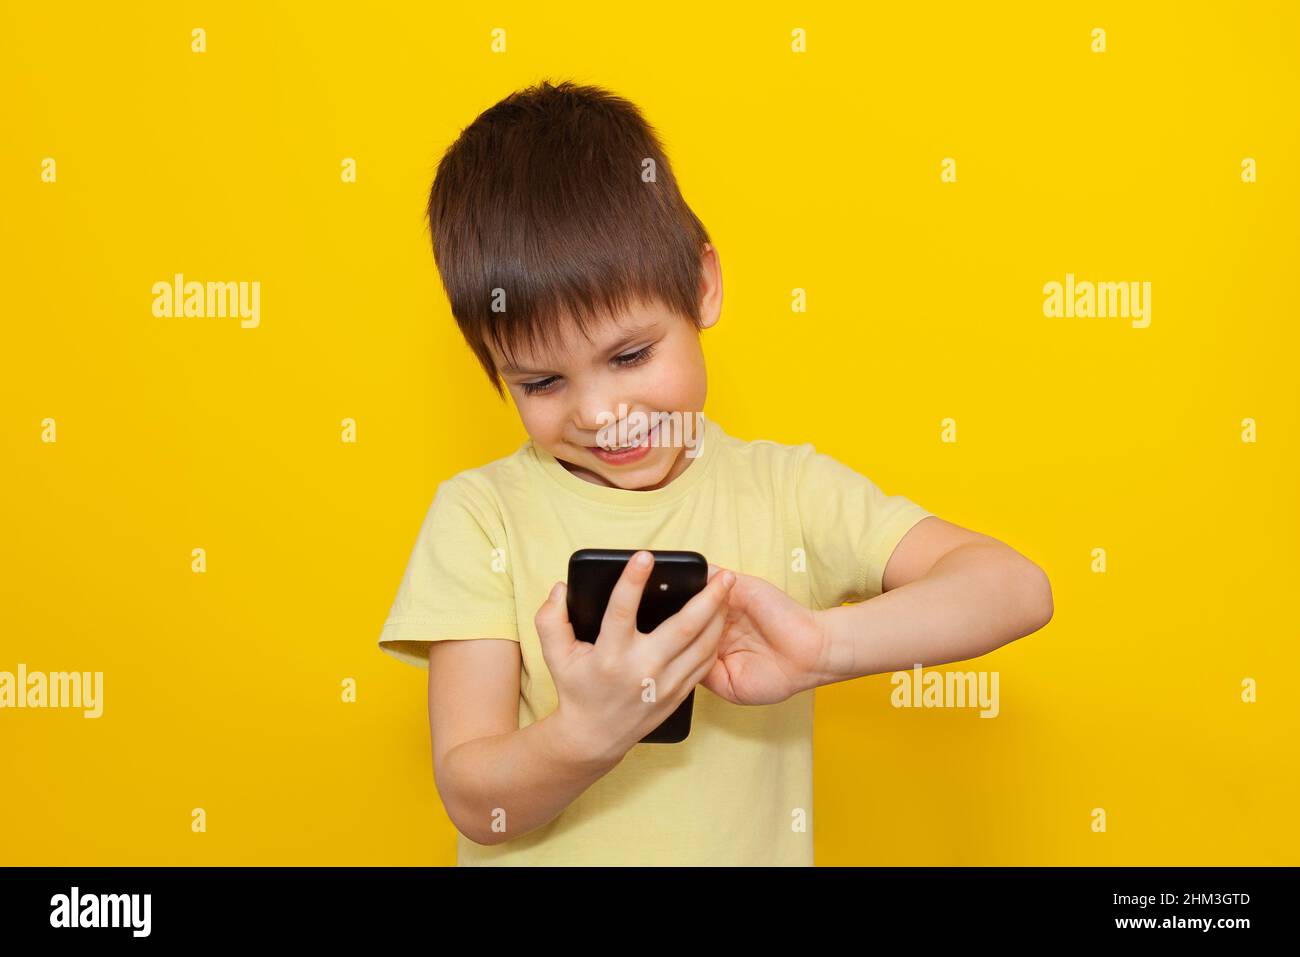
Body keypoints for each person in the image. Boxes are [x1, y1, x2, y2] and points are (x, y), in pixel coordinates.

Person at [378, 79, 1053, 865]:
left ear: (702, 285)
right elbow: (473, 795)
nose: (599, 413)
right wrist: (585, 734)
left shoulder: (787, 491)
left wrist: (823, 647)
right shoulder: (479, 516)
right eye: (540, 382)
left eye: (630, 355)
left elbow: (1014, 587)